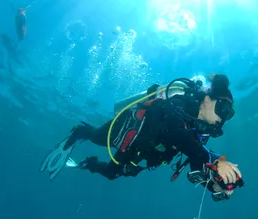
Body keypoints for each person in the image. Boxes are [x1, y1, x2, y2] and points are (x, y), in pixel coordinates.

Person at [40, 74, 244, 201]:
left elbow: (195, 162)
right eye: (223, 109)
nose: (223, 118)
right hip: (127, 130)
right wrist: (216, 161)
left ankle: (88, 163)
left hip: (141, 149)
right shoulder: (180, 103)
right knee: (96, 137)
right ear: (208, 99)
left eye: (228, 115)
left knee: (112, 173)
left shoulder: (199, 131)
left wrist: (216, 184)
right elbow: (175, 132)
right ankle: (79, 132)